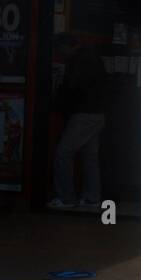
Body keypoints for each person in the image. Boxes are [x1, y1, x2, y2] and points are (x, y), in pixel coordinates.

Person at [50, 33, 108, 211]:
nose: (60, 53)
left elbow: (72, 88)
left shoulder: (78, 60)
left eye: (60, 49)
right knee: (89, 157)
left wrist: (58, 101)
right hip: (97, 113)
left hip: (83, 113)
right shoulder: (91, 56)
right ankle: (92, 198)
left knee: (63, 153)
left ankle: (67, 198)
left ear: (67, 46)